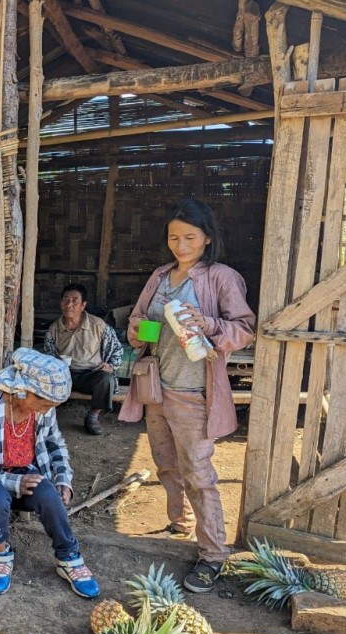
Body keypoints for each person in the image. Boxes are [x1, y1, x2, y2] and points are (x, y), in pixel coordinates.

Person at [120, 198, 256, 593]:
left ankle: (213, 555)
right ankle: (179, 523)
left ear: (207, 238)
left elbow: (244, 329)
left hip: (194, 390)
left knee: (199, 473)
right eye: (174, 237)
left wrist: (209, 323)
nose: (180, 245)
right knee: (165, 462)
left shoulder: (220, 278)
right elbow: (140, 318)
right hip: (156, 387)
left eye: (189, 237)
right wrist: (136, 331)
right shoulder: (161, 275)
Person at [0, 347, 100, 599]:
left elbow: (56, 444)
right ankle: (0, 552)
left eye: (51, 406)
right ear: (24, 389)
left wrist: (63, 479)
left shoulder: (43, 407)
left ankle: (68, 557)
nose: (45, 410)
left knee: (48, 494)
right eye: (44, 403)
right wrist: (12, 482)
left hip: (25, 473)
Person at [42, 284, 124, 436]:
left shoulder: (98, 325)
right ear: (61, 303)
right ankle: (47, 418)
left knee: (106, 380)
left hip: (91, 374)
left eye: (75, 301)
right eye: (66, 300)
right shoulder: (54, 329)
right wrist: (55, 366)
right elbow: (49, 356)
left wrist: (111, 366)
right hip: (65, 376)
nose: (69, 304)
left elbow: (117, 349)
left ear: (83, 305)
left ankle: (93, 416)